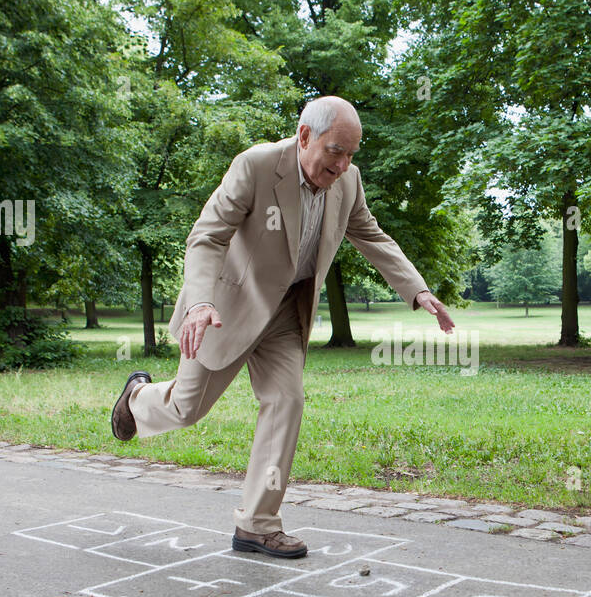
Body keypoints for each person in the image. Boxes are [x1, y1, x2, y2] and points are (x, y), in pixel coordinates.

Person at [109, 96, 454, 558]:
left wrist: (418, 290)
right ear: (305, 136)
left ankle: (256, 524)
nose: (344, 164)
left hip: (287, 314)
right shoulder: (256, 165)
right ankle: (136, 399)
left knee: (286, 401)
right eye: (336, 150)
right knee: (187, 409)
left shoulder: (347, 181)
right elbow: (207, 236)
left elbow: (370, 233)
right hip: (226, 308)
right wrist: (199, 303)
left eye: (352, 153)